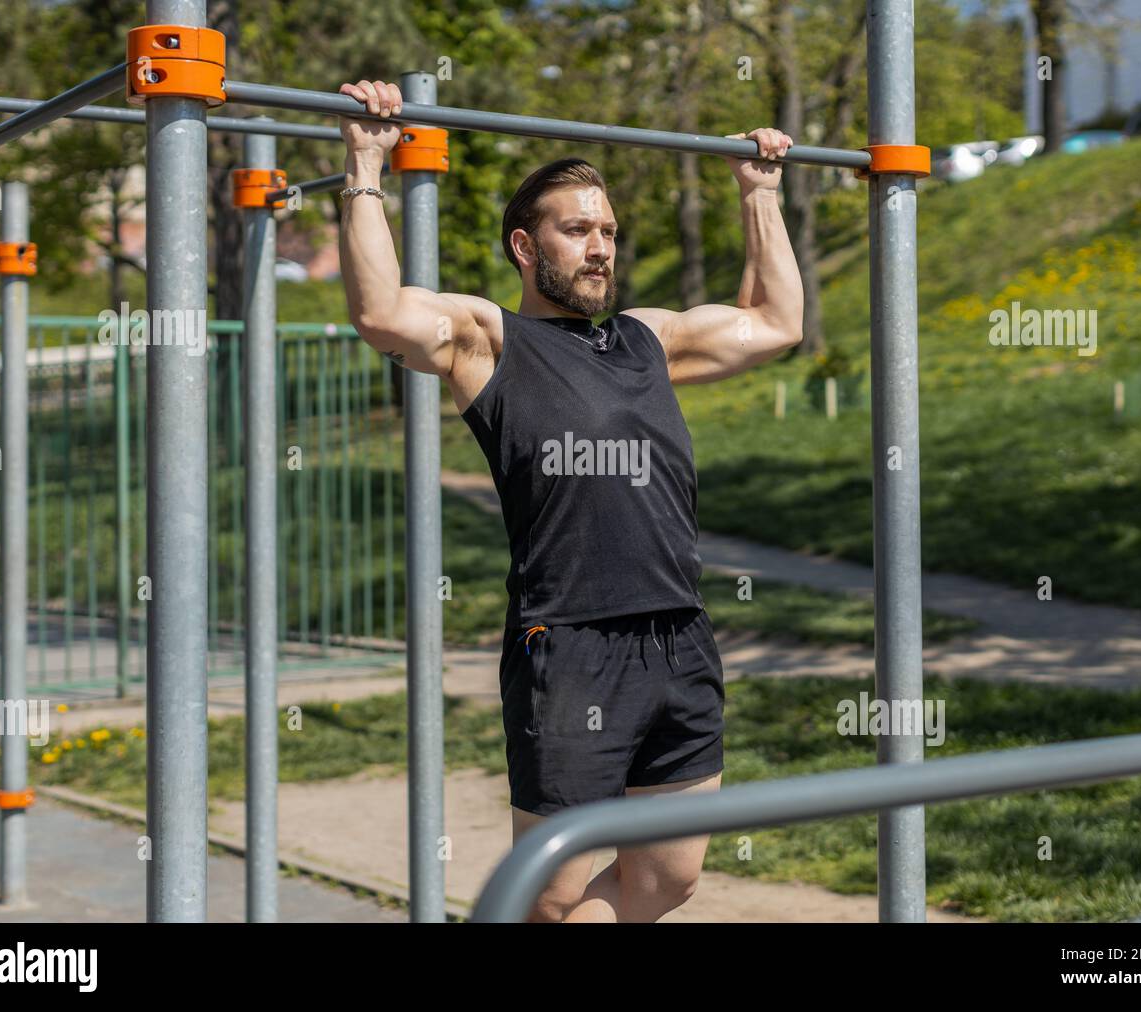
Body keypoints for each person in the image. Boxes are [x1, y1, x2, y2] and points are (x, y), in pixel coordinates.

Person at [336, 77, 803, 922]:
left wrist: (760, 195)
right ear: (526, 245)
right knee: (553, 895)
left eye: (610, 232)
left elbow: (776, 322)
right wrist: (367, 162)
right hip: (570, 644)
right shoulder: (491, 340)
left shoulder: (648, 340)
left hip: (679, 636)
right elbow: (379, 311)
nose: (600, 248)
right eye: (578, 230)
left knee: (671, 879)